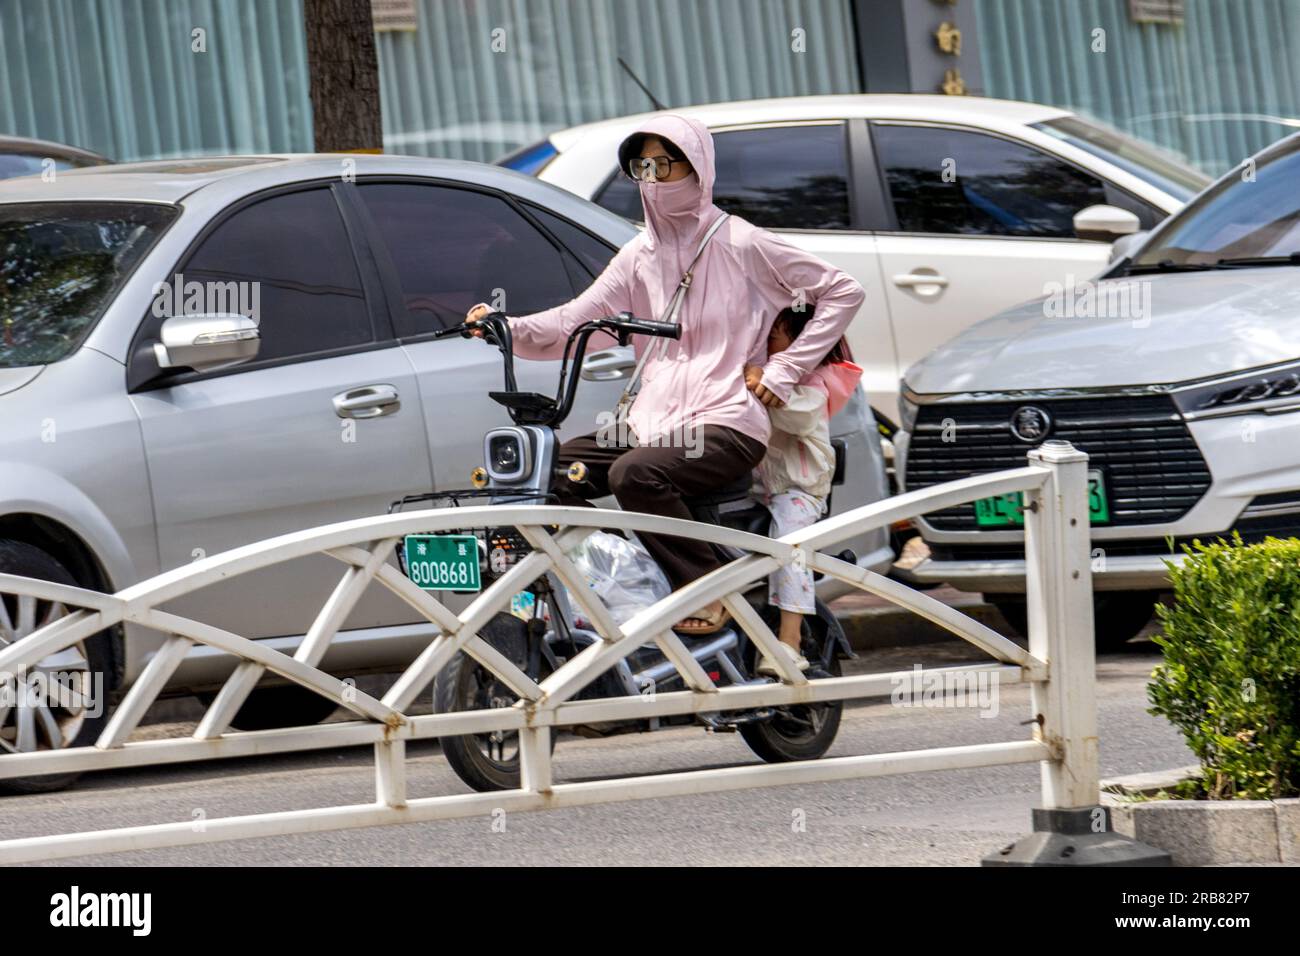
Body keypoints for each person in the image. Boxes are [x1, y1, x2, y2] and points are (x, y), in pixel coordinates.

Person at [467, 114, 864, 634]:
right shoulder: (637, 256)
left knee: (634, 473)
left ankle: (707, 588)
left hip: (726, 421)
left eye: (664, 165)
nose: (651, 179)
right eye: (641, 167)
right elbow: (574, 322)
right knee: (542, 475)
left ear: (698, 168)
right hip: (648, 420)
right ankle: (598, 596)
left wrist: (785, 368)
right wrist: (504, 327)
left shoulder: (743, 243)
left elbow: (842, 291)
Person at [746, 308, 862, 675]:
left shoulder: (813, 382)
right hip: (754, 489)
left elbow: (793, 416)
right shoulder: (762, 372)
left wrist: (755, 383)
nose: (767, 344)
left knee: (789, 545)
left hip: (798, 491)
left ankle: (789, 641)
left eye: (775, 337)